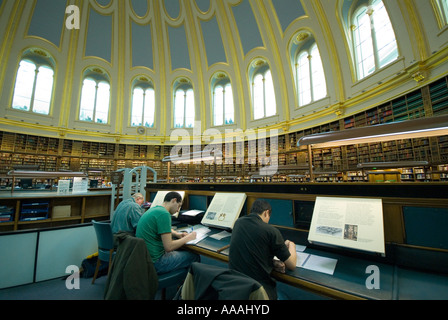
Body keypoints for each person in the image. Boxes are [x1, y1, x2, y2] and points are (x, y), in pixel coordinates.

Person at [229, 199, 297, 300]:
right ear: (266, 213)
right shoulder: (271, 231)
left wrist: (272, 262)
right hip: (258, 293)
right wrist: (291, 245)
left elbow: (250, 251)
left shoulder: (238, 223)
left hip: (236, 289)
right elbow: (292, 264)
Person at [136, 191, 200, 274]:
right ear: (174, 200)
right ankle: (184, 286)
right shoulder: (164, 214)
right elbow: (169, 247)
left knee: (181, 250)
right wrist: (189, 238)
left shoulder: (155, 209)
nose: (177, 210)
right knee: (194, 256)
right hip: (156, 262)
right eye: (178, 206)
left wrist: (177, 234)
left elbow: (162, 228)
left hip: (144, 258)